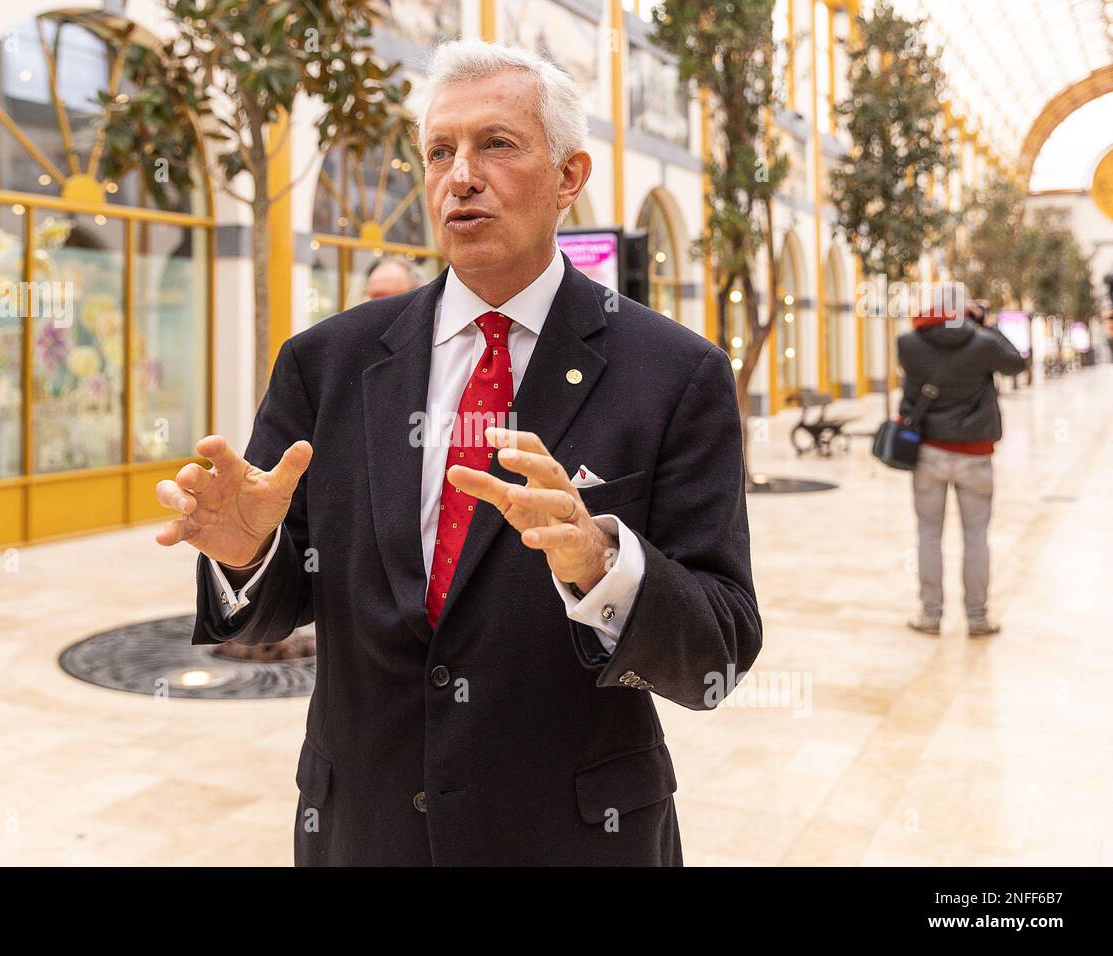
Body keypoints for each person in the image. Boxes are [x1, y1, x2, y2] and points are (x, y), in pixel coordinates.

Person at [154, 39, 761, 866]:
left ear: (570, 176)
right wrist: (243, 553)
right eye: (439, 151)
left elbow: (717, 652)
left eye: (496, 145)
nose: (459, 175)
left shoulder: (676, 373)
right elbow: (276, 602)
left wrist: (601, 561)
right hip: (365, 831)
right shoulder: (326, 363)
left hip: (575, 837)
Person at [898, 302, 1025, 638]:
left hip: (928, 453)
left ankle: (930, 615)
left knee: (928, 535)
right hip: (975, 456)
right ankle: (977, 618)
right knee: (976, 538)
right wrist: (989, 325)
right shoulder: (983, 344)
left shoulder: (908, 343)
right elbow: (1016, 363)